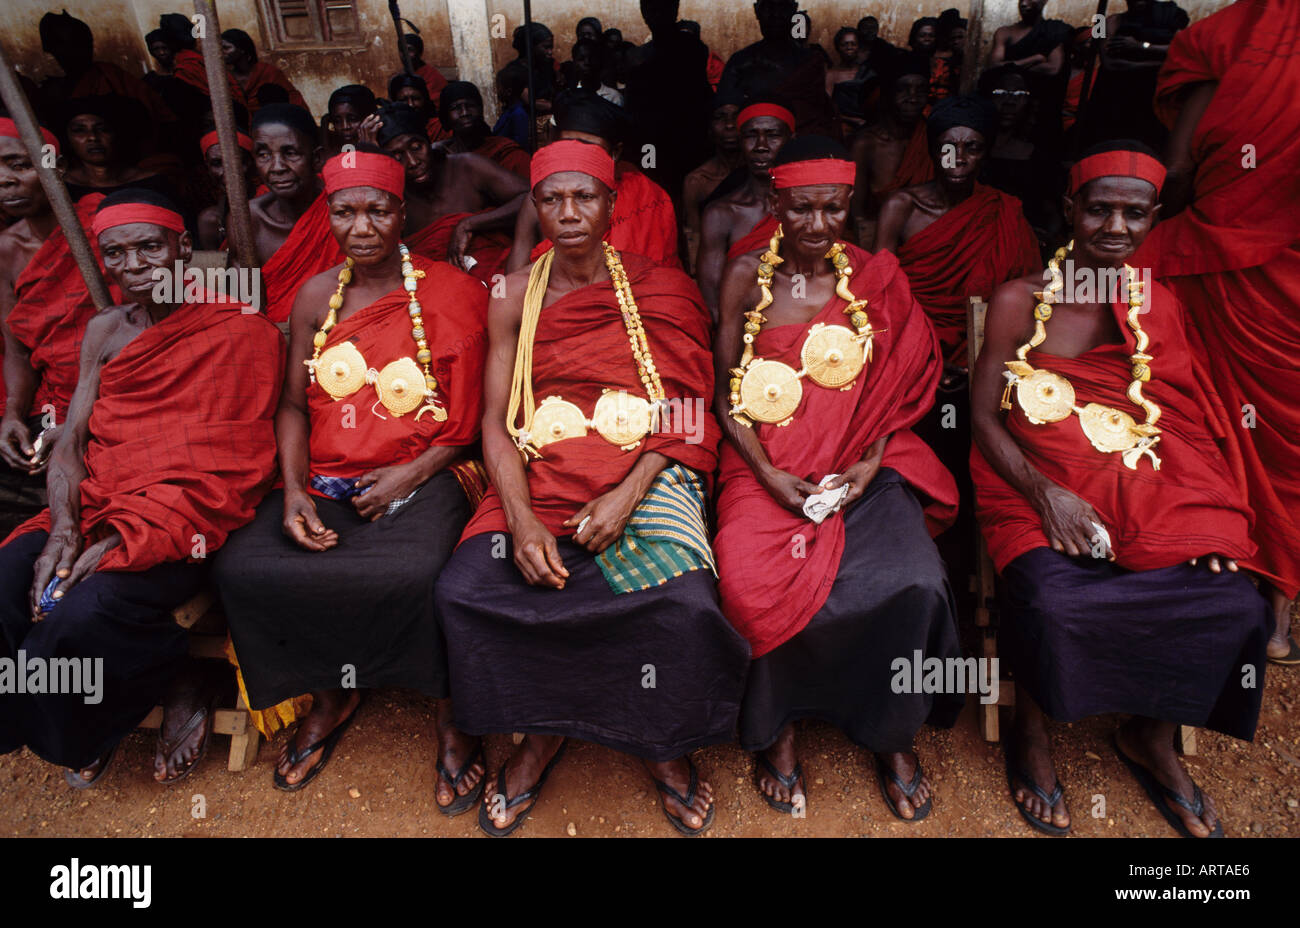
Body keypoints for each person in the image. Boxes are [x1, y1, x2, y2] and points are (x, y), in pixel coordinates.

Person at [434, 140, 749, 837]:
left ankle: (661, 744)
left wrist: (630, 491)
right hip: (538, 463)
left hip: (645, 465)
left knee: (684, 598)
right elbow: (494, 419)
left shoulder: (662, 286)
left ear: (611, 205)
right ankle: (543, 733)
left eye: (584, 197)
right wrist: (520, 520)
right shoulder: (512, 293)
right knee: (467, 591)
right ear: (535, 206)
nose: (568, 212)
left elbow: (689, 410)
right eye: (551, 198)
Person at [971, 142, 1272, 837]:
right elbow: (985, 418)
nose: (1114, 227)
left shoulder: (1156, 305)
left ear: (1154, 219)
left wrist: (1206, 524)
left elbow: (1185, 426)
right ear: (1070, 209)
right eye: (1098, 208)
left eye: (1132, 214)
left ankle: (1152, 737)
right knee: (1050, 598)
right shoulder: (1023, 299)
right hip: (1031, 478)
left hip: (1147, 488)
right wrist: (1047, 494)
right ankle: (1034, 731)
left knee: (1233, 604)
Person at [214, 150, 490, 803]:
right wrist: (291, 493)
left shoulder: (453, 291)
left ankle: (452, 712)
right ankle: (332, 694)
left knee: (419, 573)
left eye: (377, 210)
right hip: (327, 476)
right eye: (345, 211)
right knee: (243, 566)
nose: (361, 226)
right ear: (329, 217)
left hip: (431, 468)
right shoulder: (316, 295)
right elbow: (289, 404)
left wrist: (411, 473)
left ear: (402, 213)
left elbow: (482, 415)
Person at [713, 137, 962, 821]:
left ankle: (890, 729)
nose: (817, 226)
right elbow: (724, 394)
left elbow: (898, 384)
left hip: (859, 459)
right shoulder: (742, 276)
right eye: (801, 210)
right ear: (775, 205)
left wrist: (870, 461)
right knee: (742, 576)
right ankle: (779, 725)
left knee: (914, 579)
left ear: (849, 206)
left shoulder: (876, 277)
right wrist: (765, 473)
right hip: (764, 460)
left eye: (832, 210)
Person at [0, 188, 283, 788]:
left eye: (150, 247)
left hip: (188, 524)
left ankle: (125, 704)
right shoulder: (104, 329)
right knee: (6, 581)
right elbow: (73, 441)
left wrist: (114, 544)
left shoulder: (240, 328)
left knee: (79, 617)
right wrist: (67, 528)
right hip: (97, 499)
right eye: (116, 254)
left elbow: (238, 463)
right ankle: (75, 707)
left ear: (184, 247)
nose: (135, 268)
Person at [1138, 0, 1300, 665]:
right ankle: (1278, 619)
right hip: (1283, 279)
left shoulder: (1228, 36)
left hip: (1212, 265)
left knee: (1196, 419)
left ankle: (1195, 579)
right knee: (1285, 454)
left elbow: (1173, 172)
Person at [877, 96, 1040, 369]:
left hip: (984, 341)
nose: (959, 159)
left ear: (985, 153)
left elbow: (1024, 290)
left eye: (972, 148)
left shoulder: (1001, 210)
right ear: (932, 151)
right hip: (908, 335)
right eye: (947, 148)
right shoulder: (902, 206)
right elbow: (880, 286)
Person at [0, 120, 98, 539]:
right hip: (52, 399)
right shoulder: (5, 250)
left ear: (53, 168)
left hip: (115, 396)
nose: (4, 179)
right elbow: (17, 351)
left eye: (17, 164)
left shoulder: (102, 228)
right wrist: (11, 414)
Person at [507, 90, 680, 272]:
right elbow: (515, 277)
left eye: (590, 148)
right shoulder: (541, 197)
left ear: (615, 153)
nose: (578, 155)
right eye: (568, 144)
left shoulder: (646, 194)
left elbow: (660, 277)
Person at [368, 106, 527, 283]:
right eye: (397, 156)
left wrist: (470, 224)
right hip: (434, 293)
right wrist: (370, 158)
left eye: (416, 147)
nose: (412, 162)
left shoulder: (468, 167)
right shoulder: (392, 195)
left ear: (429, 141)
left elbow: (532, 198)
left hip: (502, 282)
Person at [696, 102, 794, 317]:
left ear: (790, 139)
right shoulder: (721, 214)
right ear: (740, 141)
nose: (761, 145)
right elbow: (712, 304)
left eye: (772, 135)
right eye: (751, 136)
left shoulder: (809, 209)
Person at [248, 103, 342, 323]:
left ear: (317, 158)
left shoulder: (342, 206)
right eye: (263, 154)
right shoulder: (248, 220)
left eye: (290, 153)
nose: (277, 166)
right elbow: (246, 307)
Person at [623, 0, 713, 211]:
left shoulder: (691, 48)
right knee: (654, 199)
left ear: (674, 9)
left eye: (662, 7)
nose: (655, 14)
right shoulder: (636, 56)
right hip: (650, 142)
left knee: (686, 201)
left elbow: (694, 99)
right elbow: (633, 107)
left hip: (686, 139)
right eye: (649, 8)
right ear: (643, 11)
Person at [38, 12, 173, 133]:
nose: (81, 50)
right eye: (66, 45)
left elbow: (160, 117)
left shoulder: (110, 76)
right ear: (51, 50)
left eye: (83, 43)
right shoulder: (54, 92)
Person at [849, 54, 933, 249]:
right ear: (888, 93)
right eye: (903, 89)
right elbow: (858, 215)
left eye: (920, 90)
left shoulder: (932, 139)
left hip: (926, 240)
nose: (912, 98)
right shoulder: (866, 144)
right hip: (877, 242)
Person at [1081, 0, 1189, 151]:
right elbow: (1103, 55)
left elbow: (1182, 48)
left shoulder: (1171, 16)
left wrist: (1141, 47)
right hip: (1114, 97)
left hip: (1149, 97)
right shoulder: (1107, 20)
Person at [719, 0, 834, 137]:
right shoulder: (740, 61)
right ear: (757, 11)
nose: (775, 15)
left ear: (794, 9)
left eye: (782, 7)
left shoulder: (809, 61)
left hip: (799, 143)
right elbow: (727, 113)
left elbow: (817, 116)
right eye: (769, 8)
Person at [978, 65, 1062, 246]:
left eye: (1019, 94)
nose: (1009, 101)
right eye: (1000, 92)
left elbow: (1052, 212)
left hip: (1020, 243)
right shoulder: (970, 148)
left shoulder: (1039, 155)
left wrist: (1041, 236)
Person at [59, 96, 182, 207]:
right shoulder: (62, 188)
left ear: (117, 135)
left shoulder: (155, 183)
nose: (93, 137)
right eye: (79, 130)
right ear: (68, 139)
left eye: (103, 129)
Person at [989, 0, 1072, 149]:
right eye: (1021, 0)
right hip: (1009, 97)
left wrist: (1011, 66)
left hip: (1041, 102)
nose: (1024, 4)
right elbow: (994, 65)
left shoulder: (1054, 31)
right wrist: (1034, 59)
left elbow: (1053, 68)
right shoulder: (1005, 32)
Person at [681, 91, 743, 272]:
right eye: (720, 118)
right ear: (709, 128)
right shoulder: (697, 181)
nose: (730, 125)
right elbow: (695, 237)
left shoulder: (761, 175)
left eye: (736, 117)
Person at [438, 81, 531, 179]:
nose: (465, 112)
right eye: (456, 108)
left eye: (470, 105)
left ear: (480, 109)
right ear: (446, 116)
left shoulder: (507, 153)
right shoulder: (442, 156)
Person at [195, 129, 260, 250]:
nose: (227, 172)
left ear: (252, 163)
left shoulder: (276, 206)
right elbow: (214, 267)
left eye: (236, 162)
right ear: (207, 168)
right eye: (216, 163)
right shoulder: (210, 220)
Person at [220, 29, 305, 115]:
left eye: (226, 48)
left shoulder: (268, 72)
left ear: (242, 49)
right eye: (220, 48)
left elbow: (293, 99)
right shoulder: (225, 78)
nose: (221, 52)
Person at [388, 73, 447, 143]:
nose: (410, 104)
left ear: (425, 99)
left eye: (416, 99)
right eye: (403, 100)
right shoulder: (388, 130)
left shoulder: (439, 127)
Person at [323, 85, 377, 159]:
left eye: (353, 119)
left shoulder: (387, 148)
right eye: (337, 121)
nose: (345, 127)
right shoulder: (334, 152)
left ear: (370, 118)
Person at [570, 39, 623, 107]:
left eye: (591, 58)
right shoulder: (569, 97)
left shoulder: (613, 97)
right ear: (574, 63)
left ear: (599, 62)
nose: (587, 62)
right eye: (581, 59)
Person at [492, 66, 531, 151]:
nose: (497, 92)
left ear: (508, 92)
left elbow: (519, 145)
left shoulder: (518, 114)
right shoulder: (508, 111)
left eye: (499, 88)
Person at [402, 32, 448, 103]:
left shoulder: (433, 77)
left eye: (410, 50)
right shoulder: (400, 76)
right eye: (402, 50)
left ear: (419, 52)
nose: (405, 55)